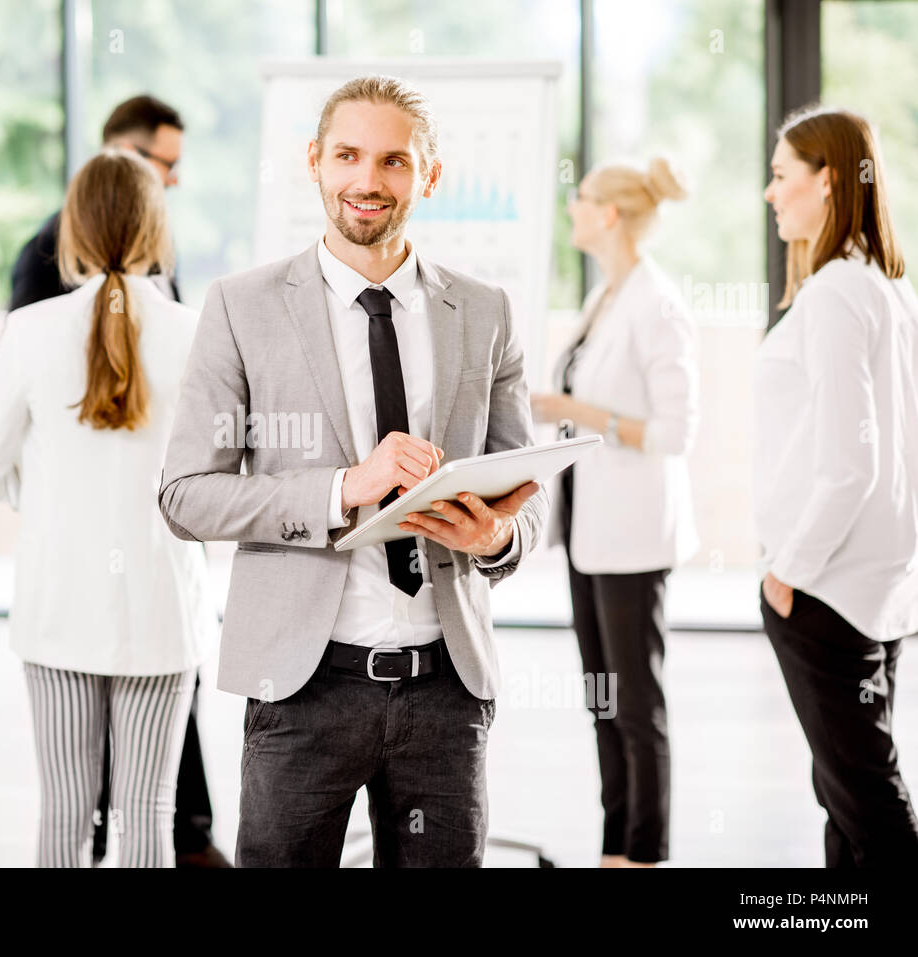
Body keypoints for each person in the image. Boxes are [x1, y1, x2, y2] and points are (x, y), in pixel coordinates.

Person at [159, 75, 547, 868]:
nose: (368, 181)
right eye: (348, 155)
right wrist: (344, 488)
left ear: (429, 176)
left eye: (394, 162)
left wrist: (498, 534)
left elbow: (525, 493)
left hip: (448, 692)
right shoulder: (242, 306)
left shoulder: (485, 311)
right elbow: (185, 495)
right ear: (315, 162)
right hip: (304, 691)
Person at [0, 150, 217, 867]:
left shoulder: (30, 330)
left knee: (65, 815)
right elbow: (218, 481)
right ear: (157, 232)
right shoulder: (196, 331)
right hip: (164, 608)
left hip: (56, 610)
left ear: (70, 229)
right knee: (149, 815)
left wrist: (42, 490)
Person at [757, 105, 918, 866]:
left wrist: (788, 571)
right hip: (871, 588)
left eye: (782, 175)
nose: (769, 193)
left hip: (824, 590)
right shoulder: (884, 288)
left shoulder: (832, 295)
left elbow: (851, 460)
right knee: (849, 803)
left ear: (826, 182)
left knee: (869, 802)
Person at [531, 157, 698, 868]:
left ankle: (644, 850)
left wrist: (575, 411)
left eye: (584, 198)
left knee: (635, 704)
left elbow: (675, 431)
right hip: (588, 532)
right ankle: (613, 850)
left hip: (633, 534)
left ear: (612, 214)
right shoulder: (607, 297)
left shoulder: (658, 302)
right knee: (603, 699)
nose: (572, 206)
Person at [8, 95, 184, 310]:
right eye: (170, 164)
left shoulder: (159, 240)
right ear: (128, 155)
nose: (175, 180)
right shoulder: (45, 253)